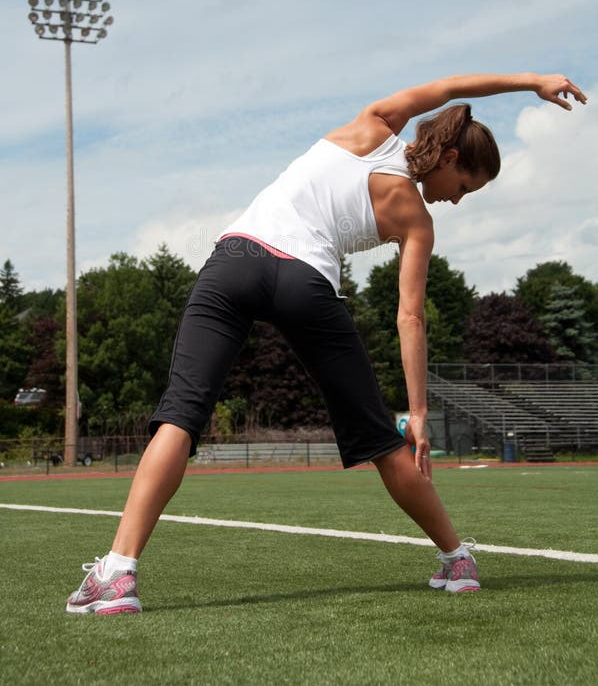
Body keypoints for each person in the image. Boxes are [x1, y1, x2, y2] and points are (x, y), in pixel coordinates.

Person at [66, 72, 586, 613]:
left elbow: (453, 86)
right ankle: (457, 560)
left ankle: (119, 573)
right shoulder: (417, 220)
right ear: (451, 156)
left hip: (237, 262)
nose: (457, 201)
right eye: (464, 187)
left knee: (181, 416)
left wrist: (531, 83)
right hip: (306, 284)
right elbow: (409, 317)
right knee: (384, 442)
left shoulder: (375, 124)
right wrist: (419, 412)